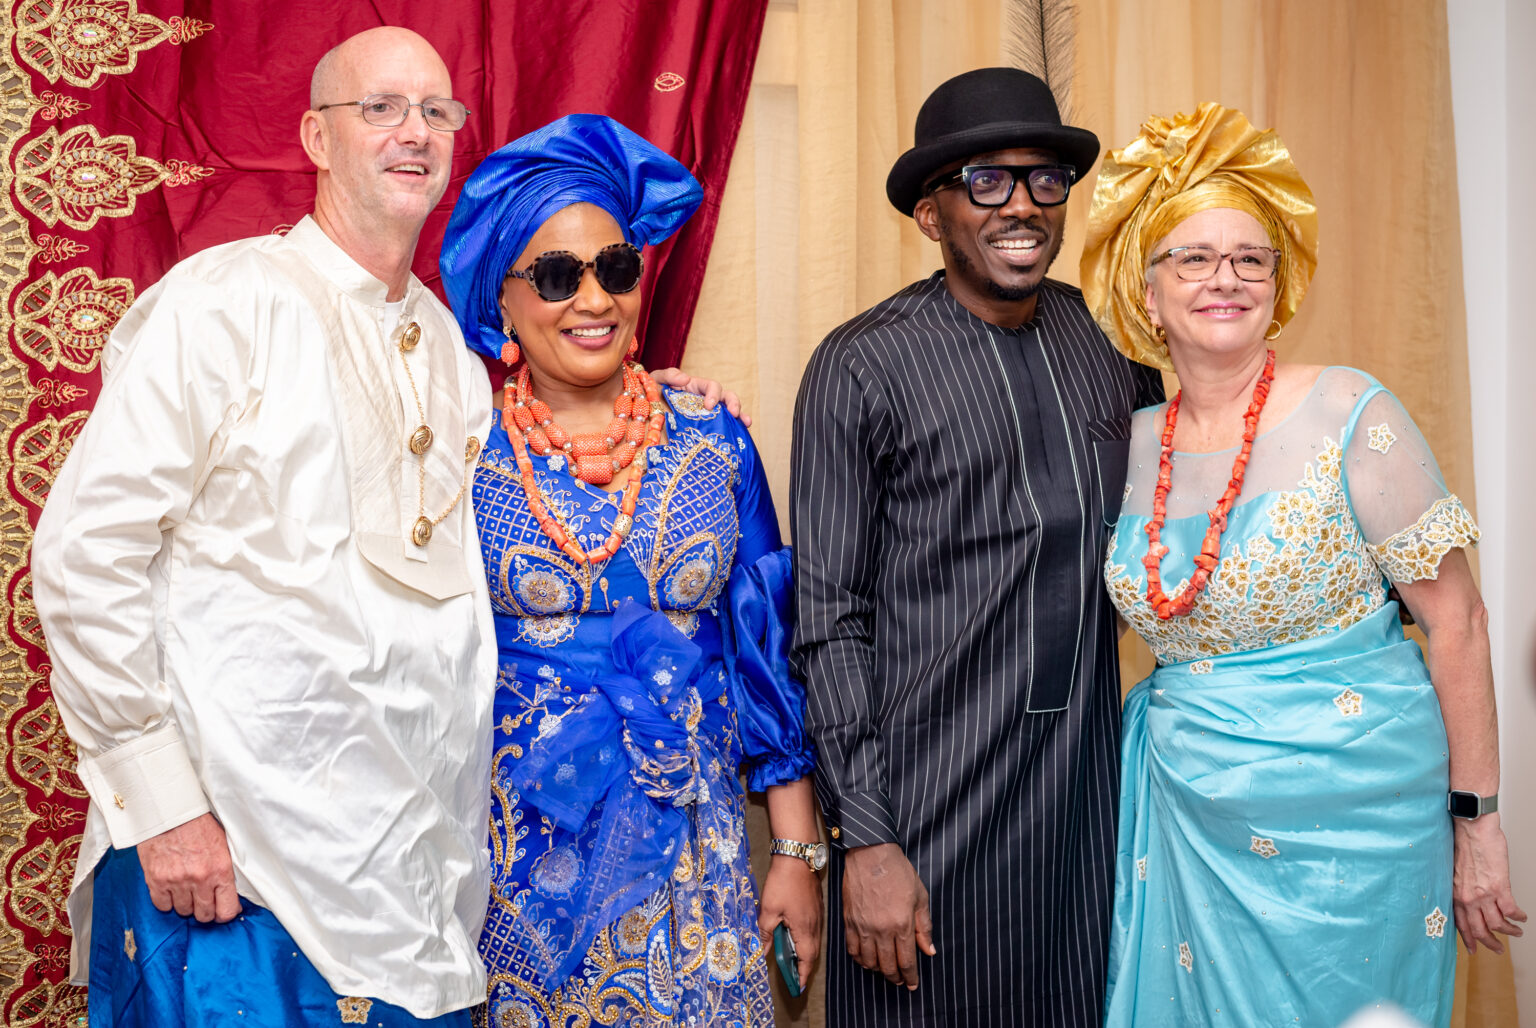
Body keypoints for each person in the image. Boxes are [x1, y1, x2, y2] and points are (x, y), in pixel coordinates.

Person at [31, 27, 495, 1026]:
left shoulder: (453, 354)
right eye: (379, 109)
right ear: (315, 138)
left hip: (407, 881)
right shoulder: (222, 303)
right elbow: (84, 554)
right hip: (230, 868)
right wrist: (162, 803)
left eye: (436, 111)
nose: (414, 132)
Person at [1080, 102, 1527, 1026]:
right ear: (1147, 291)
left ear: (1278, 284)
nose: (1226, 279)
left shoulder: (1352, 412)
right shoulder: (1121, 445)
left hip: (1361, 830)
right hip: (1192, 820)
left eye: (1251, 258)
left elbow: (1459, 623)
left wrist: (1477, 822)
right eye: (1194, 258)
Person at [791, 68, 1164, 1026]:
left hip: (1082, 810)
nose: (1024, 206)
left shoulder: (1102, 343)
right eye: (987, 183)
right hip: (924, 815)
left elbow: (1205, 495)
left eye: (1045, 180)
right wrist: (865, 839)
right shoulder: (861, 364)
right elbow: (827, 621)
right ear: (931, 213)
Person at [438, 113, 822, 1027]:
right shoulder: (456, 453)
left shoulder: (714, 440)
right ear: (502, 300)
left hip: (698, 848)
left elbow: (767, 651)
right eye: (558, 276)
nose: (593, 300)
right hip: (519, 853)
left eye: (615, 269)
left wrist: (797, 855)